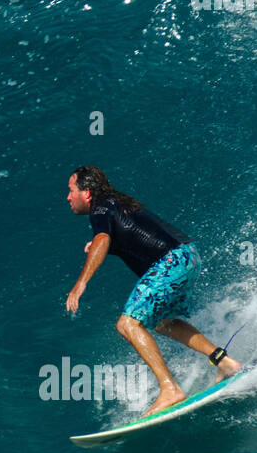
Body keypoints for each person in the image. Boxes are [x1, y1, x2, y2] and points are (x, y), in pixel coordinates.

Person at [64, 166, 240, 416]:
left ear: (87, 193)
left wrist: (80, 284)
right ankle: (223, 361)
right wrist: (107, 244)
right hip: (188, 257)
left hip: (172, 262)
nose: (68, 197)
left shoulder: (100, 208)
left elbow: (102, 240)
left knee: (127, 324)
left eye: (71, 191)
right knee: (162, 323)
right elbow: (132, 237)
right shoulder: (116, 204)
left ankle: (170, 389)